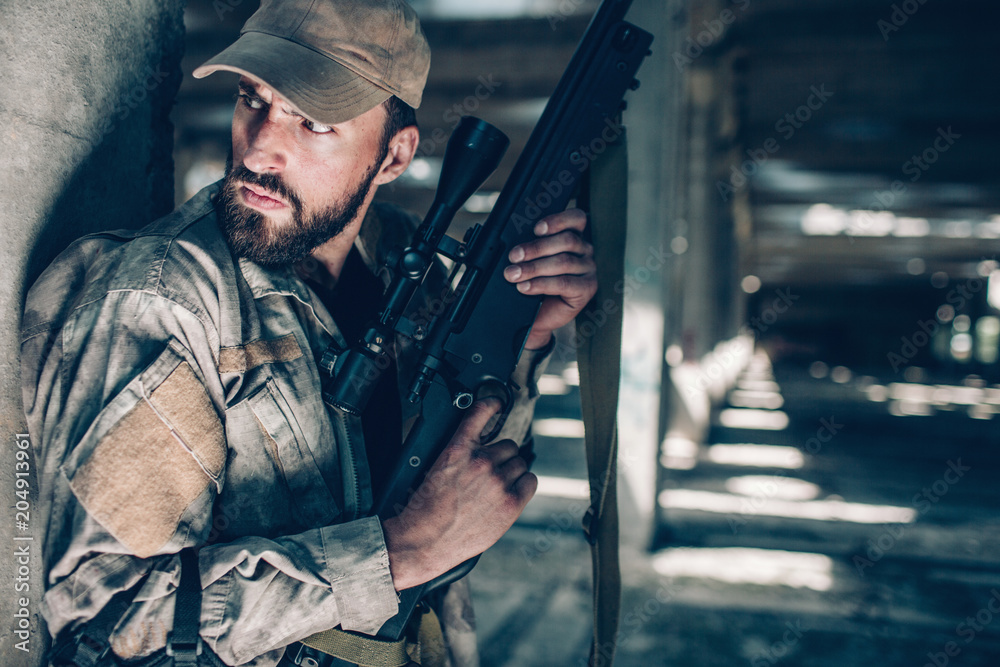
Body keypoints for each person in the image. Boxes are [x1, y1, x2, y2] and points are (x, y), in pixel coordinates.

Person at [20, 0, 597, 665]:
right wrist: (397, 552)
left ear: (392, 157)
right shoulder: (163, 300)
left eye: (314, 122)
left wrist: (526, 334)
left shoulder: (404, 268)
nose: (262, 146)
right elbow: (106, 622)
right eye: (252, 99)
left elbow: (464, 490)